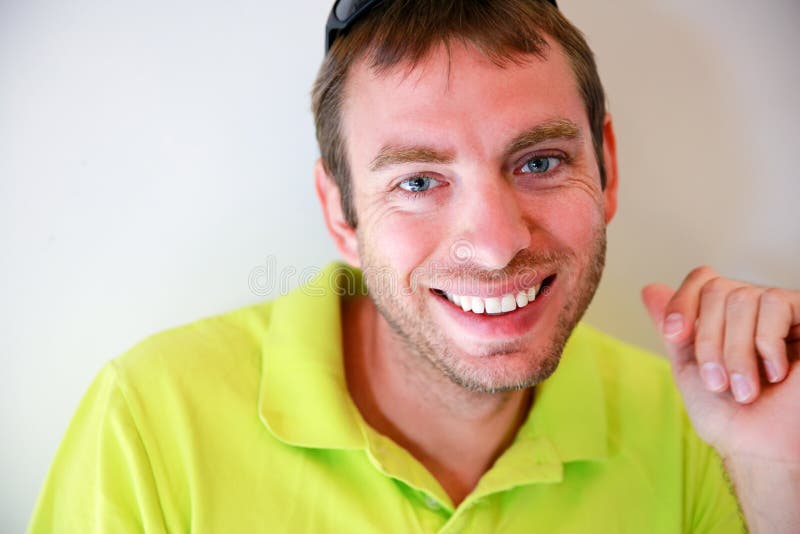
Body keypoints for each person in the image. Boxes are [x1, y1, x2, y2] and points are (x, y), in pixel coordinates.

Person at [29, 1, 799, 532]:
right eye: (419, 182)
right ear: (341, 212)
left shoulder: (700, 429)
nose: (496, 245)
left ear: (608, 167)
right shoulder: (148, 420)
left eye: (538, 162)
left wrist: (777, 476)